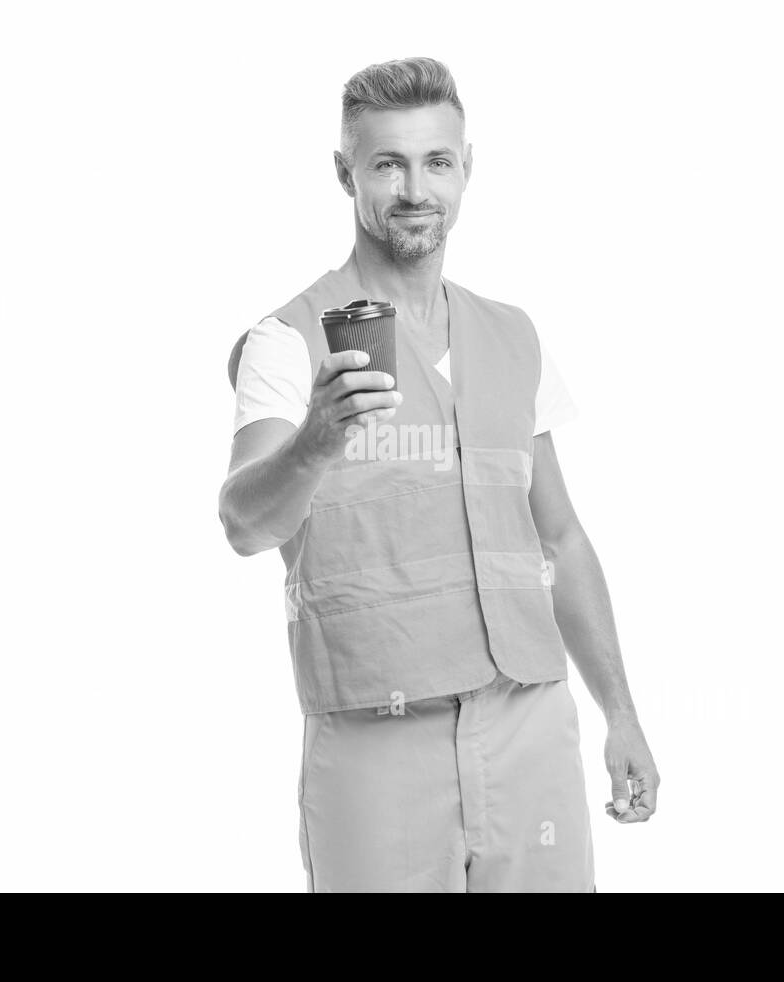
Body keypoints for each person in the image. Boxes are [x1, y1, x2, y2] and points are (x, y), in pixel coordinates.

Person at [219, 56, 658, 893]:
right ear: (344, 173)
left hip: (529, 727)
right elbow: (243, 523)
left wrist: (623, 713)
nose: (415, 189)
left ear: (466, 169)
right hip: (379, 741)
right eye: (387, 164)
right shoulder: (288, 341)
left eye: (436, 162)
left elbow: (559, 537)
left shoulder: (512, 335)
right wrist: (316, 436)